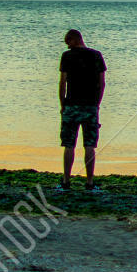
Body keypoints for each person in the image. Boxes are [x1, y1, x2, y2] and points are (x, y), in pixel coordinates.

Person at [59, 29, 106, 191]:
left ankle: (66, 180)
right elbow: (102, 83)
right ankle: (89, 182)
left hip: (72, 105)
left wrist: (62, 104)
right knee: (89, 144)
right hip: (90, 105)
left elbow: (62, 82)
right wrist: (97, 103)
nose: (68, 46)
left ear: (75, 39)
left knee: (69, 144)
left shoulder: (67, 56)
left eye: (68, 42)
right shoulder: (96, 55)